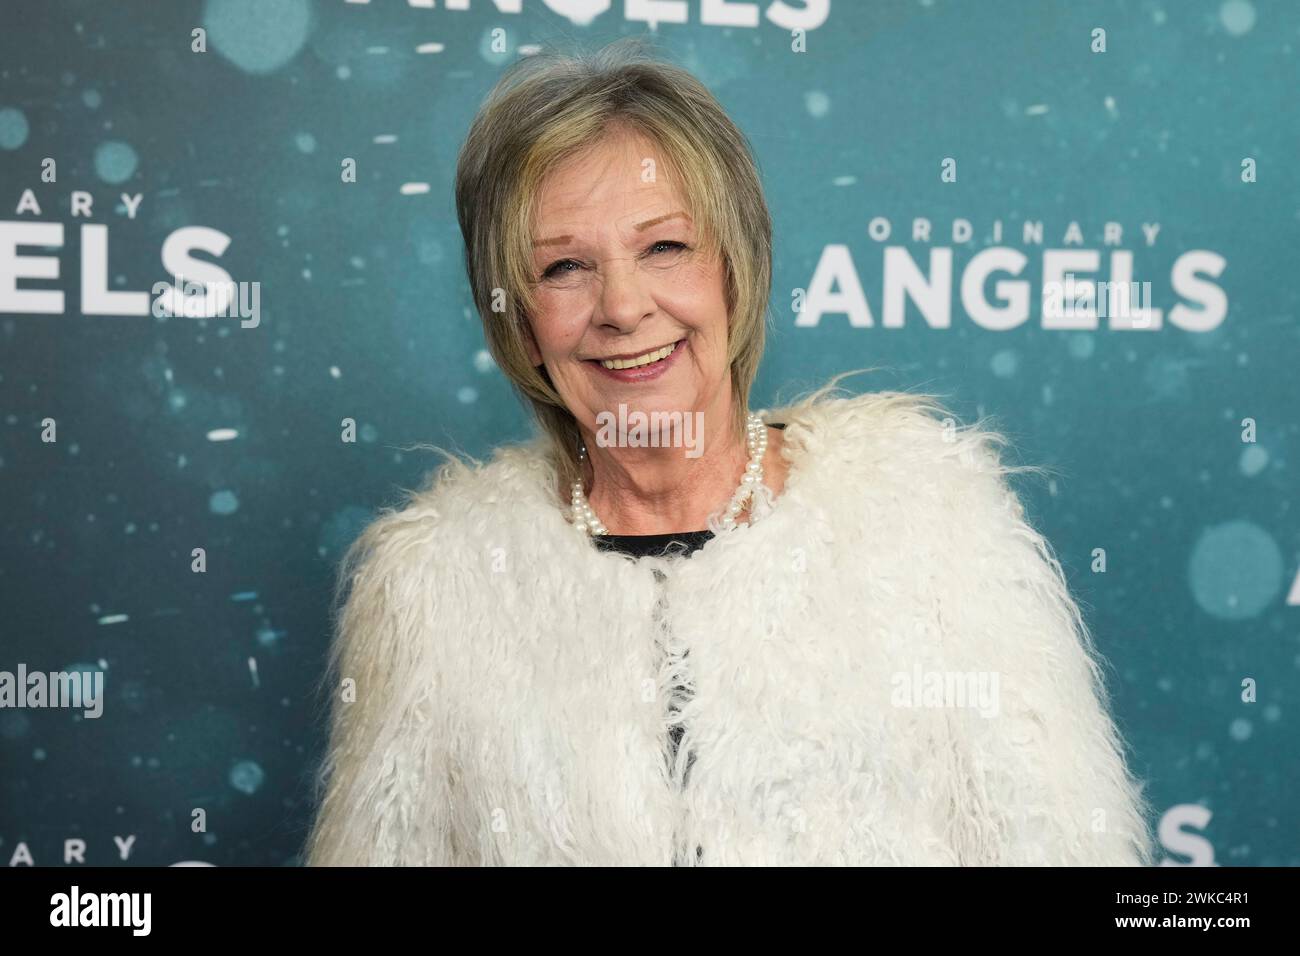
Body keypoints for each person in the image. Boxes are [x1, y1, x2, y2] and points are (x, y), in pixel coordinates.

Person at [304, 38, 1155, 866]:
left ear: (734, 272)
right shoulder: (437, 589)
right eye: (565, 267)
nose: (624, 308)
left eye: (664, 247)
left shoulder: (932, 523)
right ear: (519, 325)